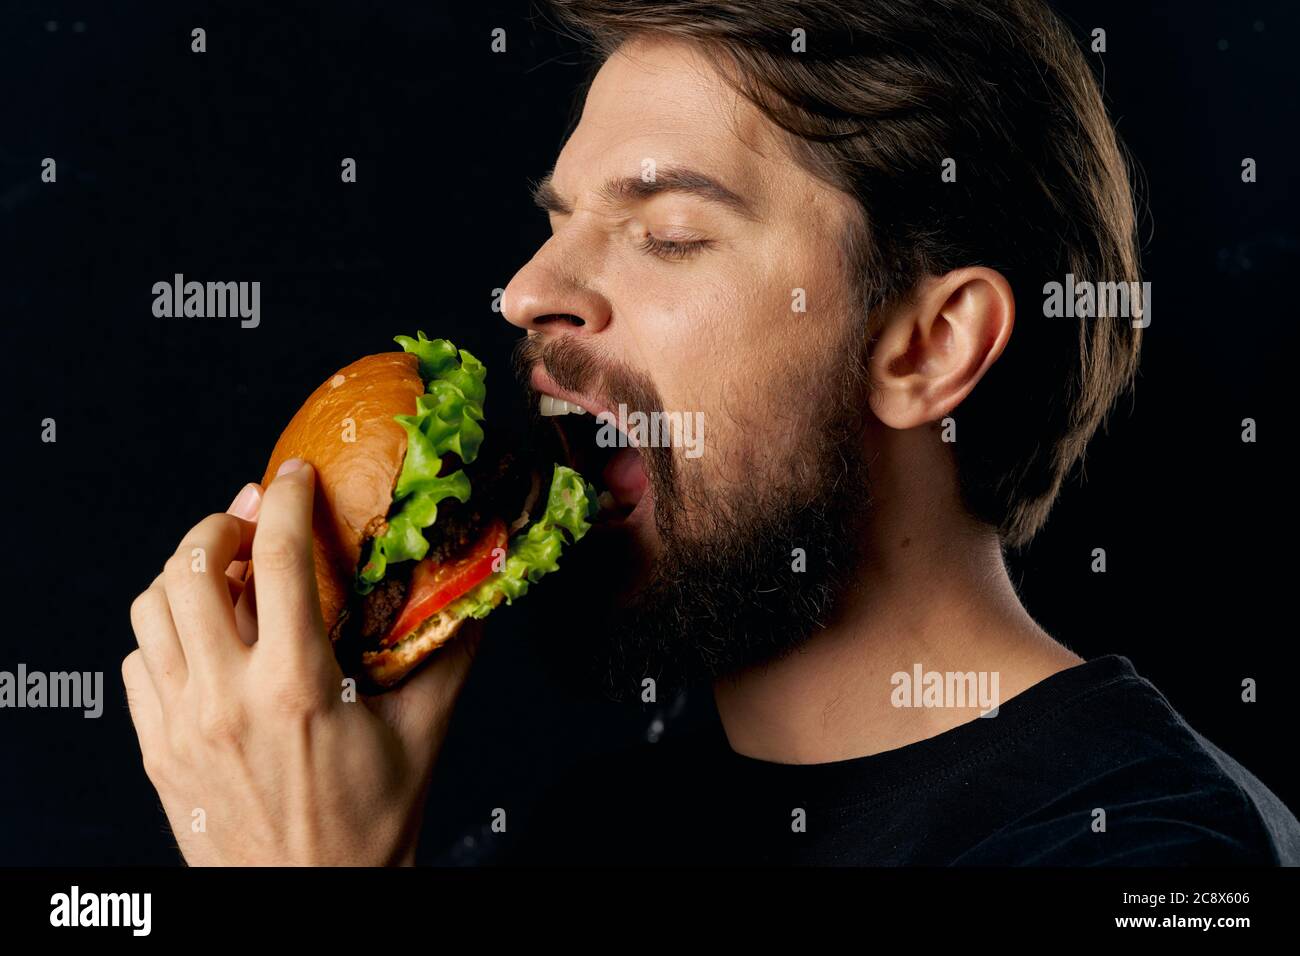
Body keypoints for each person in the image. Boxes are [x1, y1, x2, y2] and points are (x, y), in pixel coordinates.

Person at [123, 0, 1300, 865]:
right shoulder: (597, 835)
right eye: (560, 225)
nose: (530, 292)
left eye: (668, 231)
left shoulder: (1150, 852)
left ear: (930, 346)